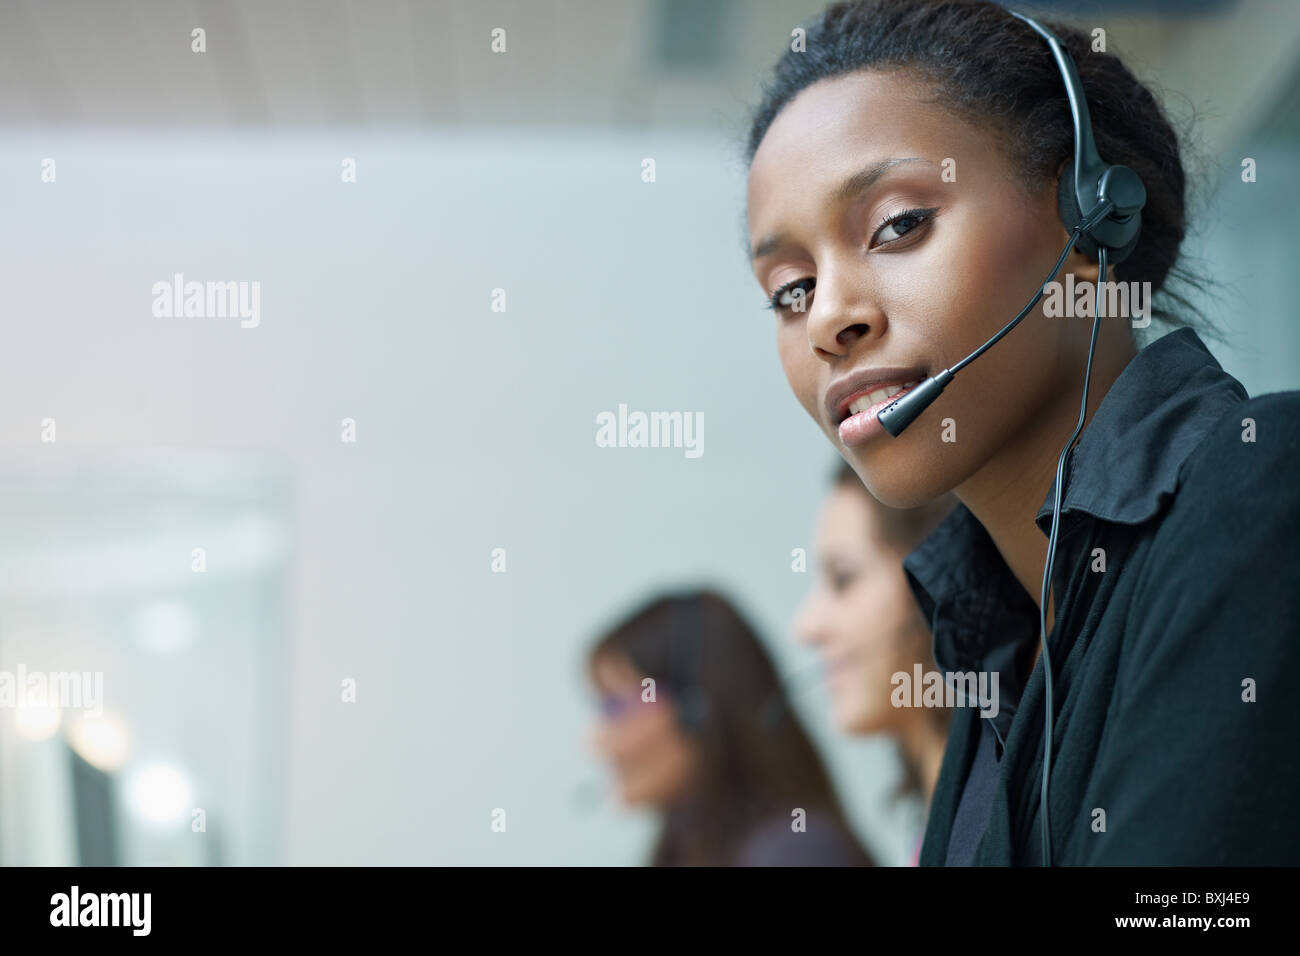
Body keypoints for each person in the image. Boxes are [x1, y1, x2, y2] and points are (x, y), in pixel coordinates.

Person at [743, 0, 1300, 864]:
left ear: (1088, 223)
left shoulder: (1262, 486)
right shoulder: (997, 639)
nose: (829, 321)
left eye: (898, 225)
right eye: (791, 288)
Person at [587, 589, 872, 866]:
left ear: (695, 710)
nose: (597, 740)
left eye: (615, 707)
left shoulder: (795, 852)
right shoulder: (685, 848)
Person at [794, 459, 954, 864]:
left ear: (935, 583)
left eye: (843, 579)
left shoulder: (1002, 817)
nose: (806, 627)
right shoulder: (940, 821)